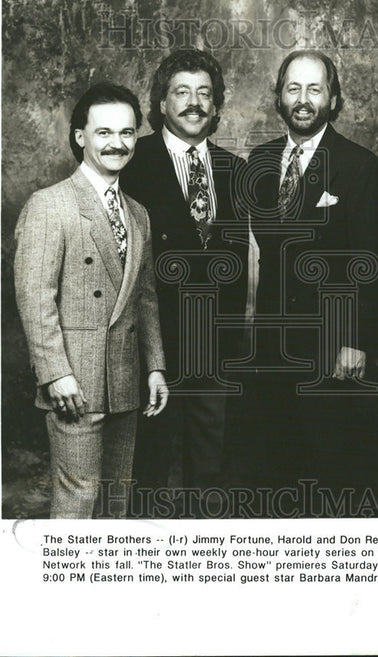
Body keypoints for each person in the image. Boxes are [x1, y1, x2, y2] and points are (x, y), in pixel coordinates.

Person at [14, 83, 168, 519]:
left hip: (124, 381)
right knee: (78, 499)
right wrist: (54, 374)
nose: (117, 144)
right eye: (104, 133)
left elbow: (145, 298)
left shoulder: (138, 213)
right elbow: (35, 299)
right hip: (74, 384)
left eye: (126, 133)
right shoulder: (50, 206)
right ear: (81, 136)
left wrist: (155, 366)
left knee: (116, 500)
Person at [247, 49, 378, 491]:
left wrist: (356, 342)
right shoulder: (259, 161)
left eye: (314, 88)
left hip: (331, 346)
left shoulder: (361, 166)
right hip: (271, 349)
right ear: (279, 98)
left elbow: (373, 264)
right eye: (294, 88)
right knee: (275, 473)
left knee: (333, 473)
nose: (303, 98)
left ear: (332, 97)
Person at [121, 49, 248, 502]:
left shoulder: (236, 169)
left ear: (215, 107)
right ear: (161, 103)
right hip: (150, 341)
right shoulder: (132, 163)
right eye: (182, 92)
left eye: (204, 94)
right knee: (147, 461)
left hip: (215, 342)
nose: (194, 103)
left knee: (210, 465)